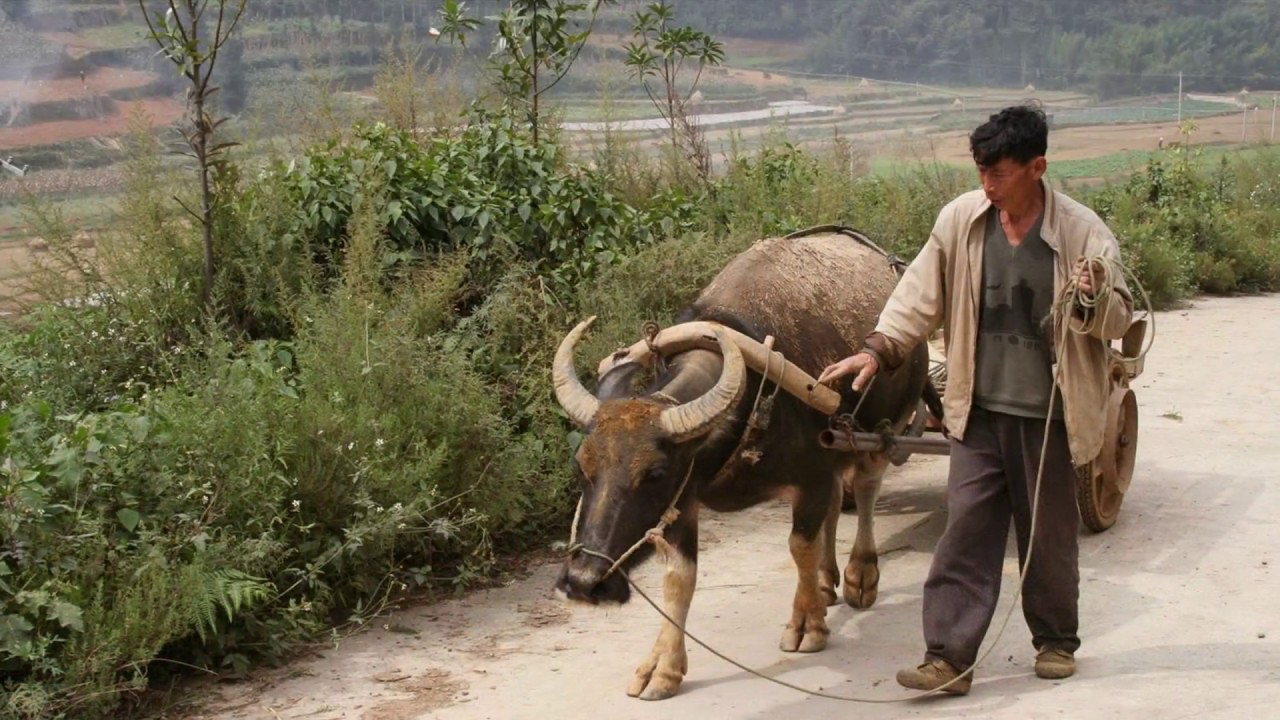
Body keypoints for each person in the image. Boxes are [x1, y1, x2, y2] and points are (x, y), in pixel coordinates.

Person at [817, 104, 1133, 695]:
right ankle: (947, 658)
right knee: (965, 533)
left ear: (1037, 167)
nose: (988, 185)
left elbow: (1118, 318)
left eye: (1000, 173)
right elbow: (917, 294)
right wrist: (878, 349)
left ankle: (1055, 641)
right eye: (982, 172)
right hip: (976, 411)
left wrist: (1093, 296)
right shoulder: (962, 220)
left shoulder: (1083, 233)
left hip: (1049, 415)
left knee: (1048, 536)